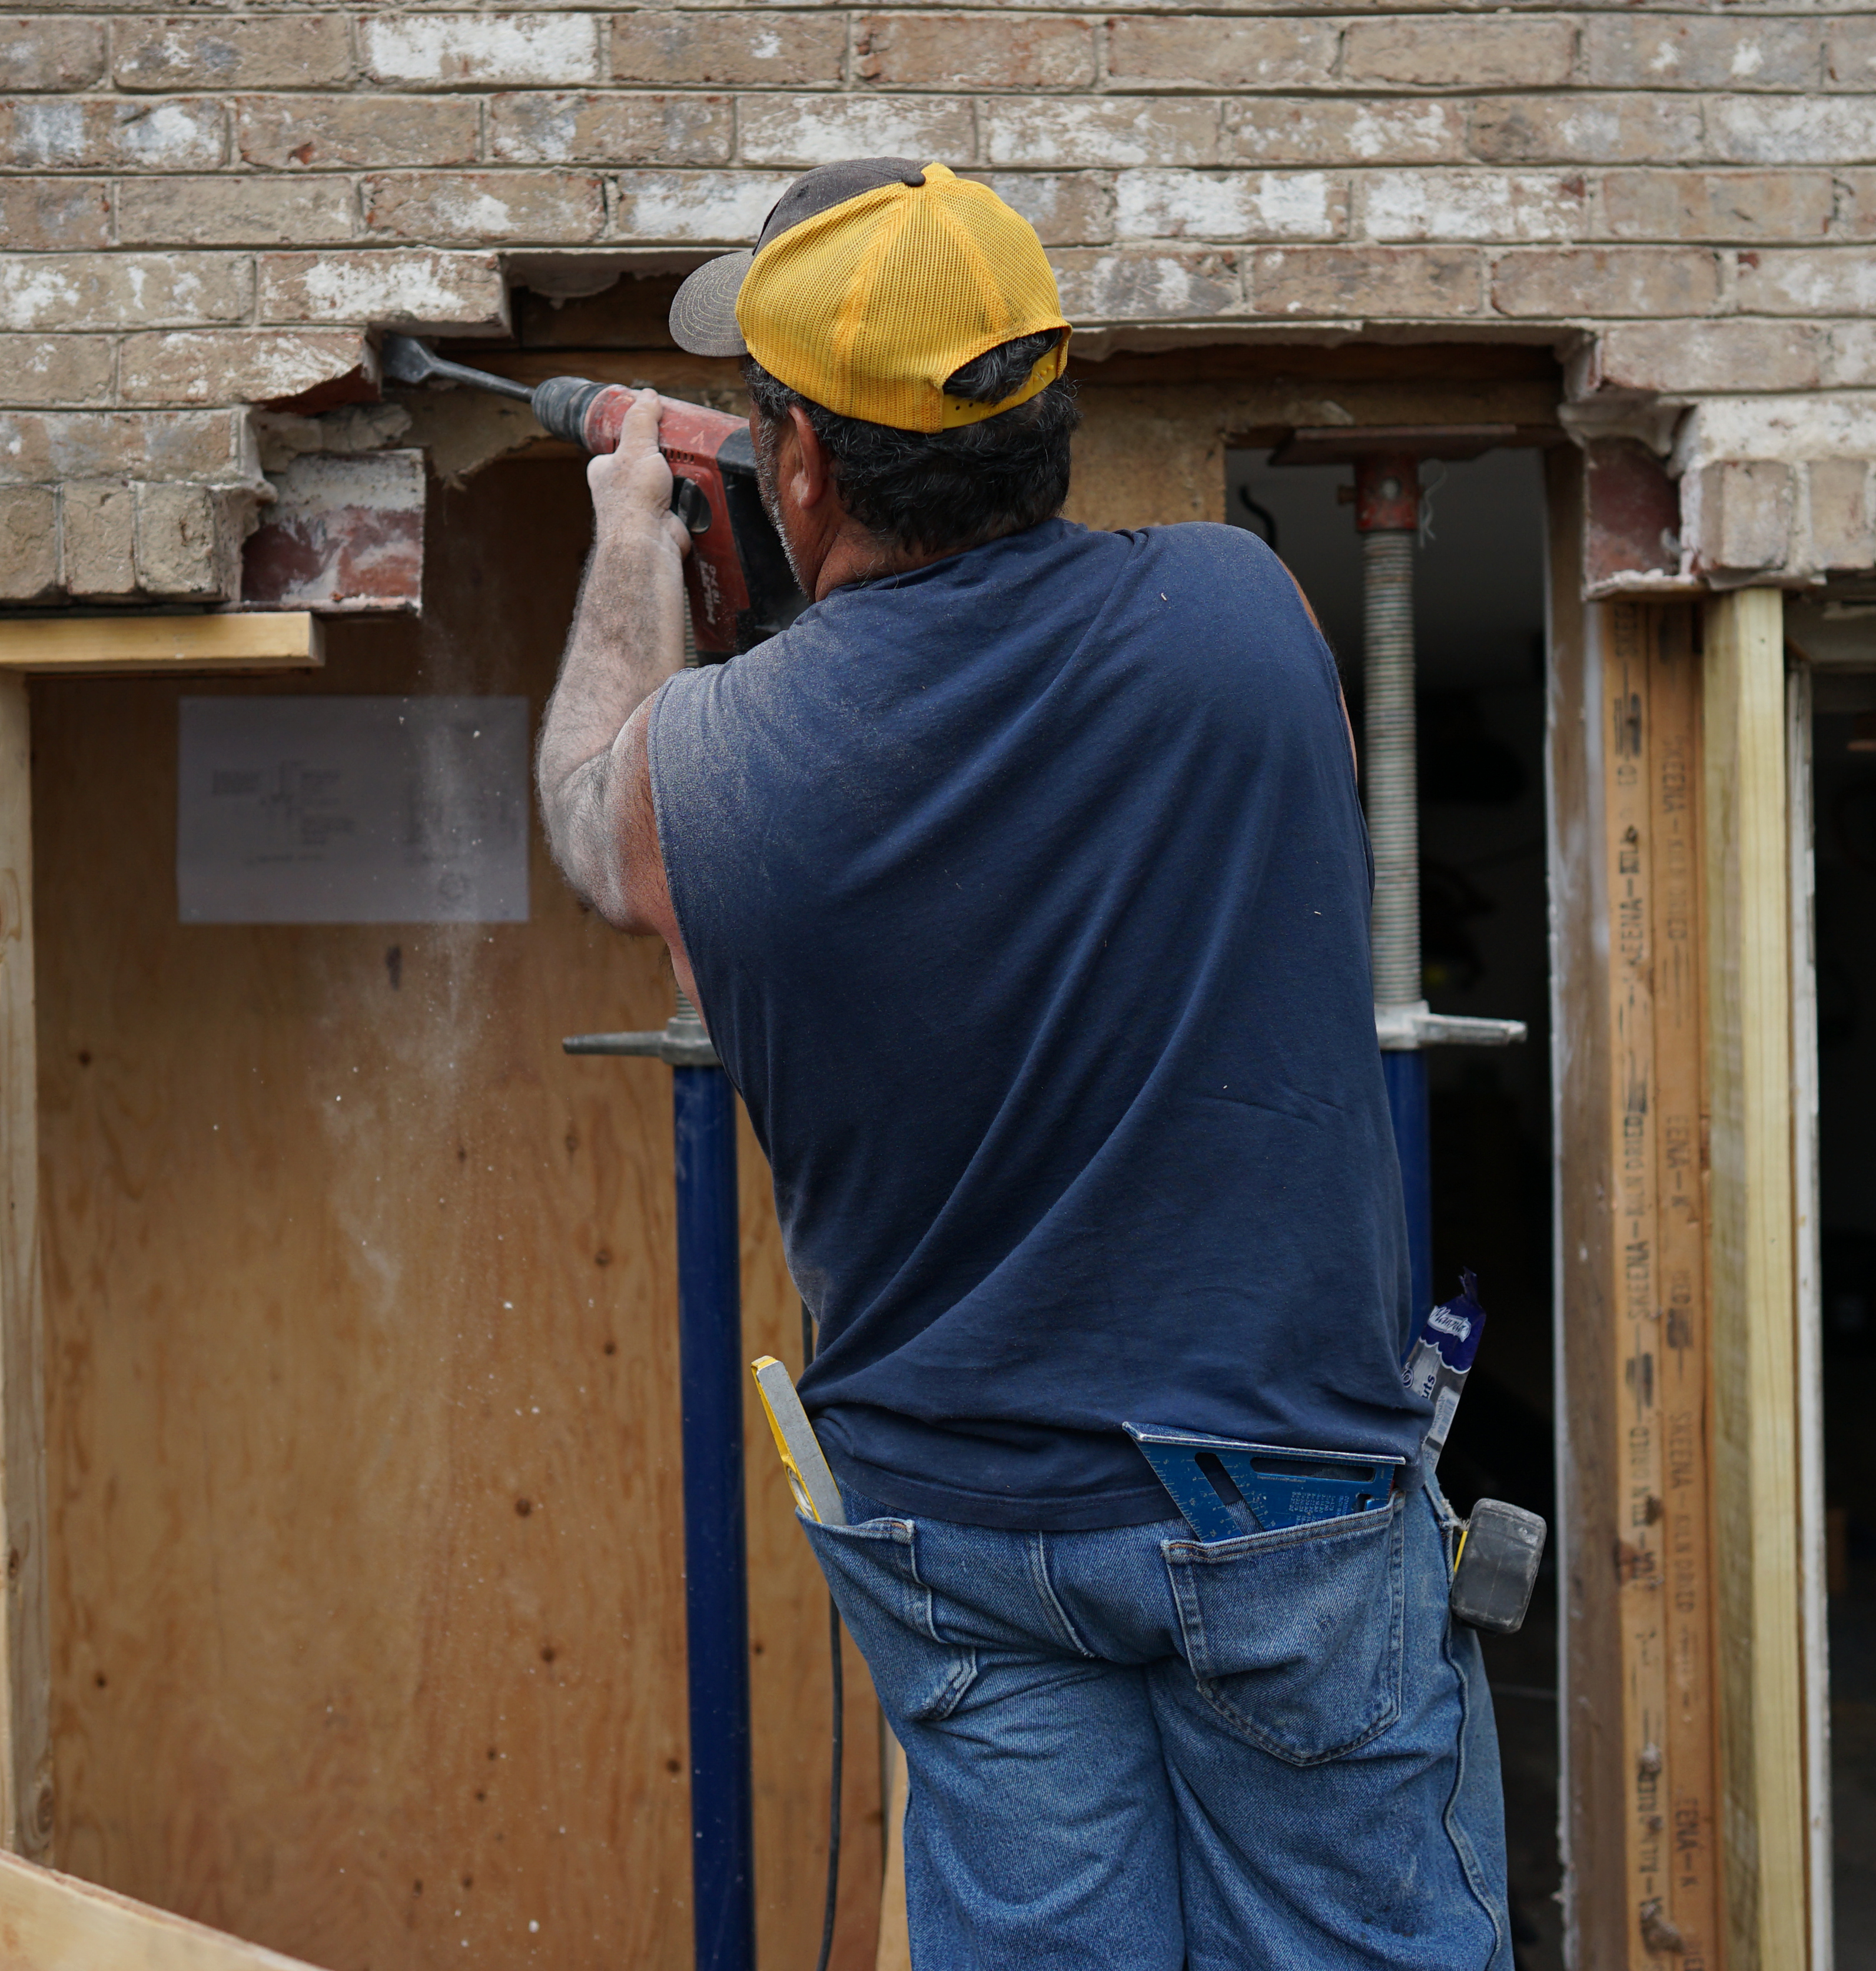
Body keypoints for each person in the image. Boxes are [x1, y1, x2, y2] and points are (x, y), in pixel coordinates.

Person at [536, 159, 1512, 1970]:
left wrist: (628, 537)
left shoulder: (720, 771)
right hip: (1282, 1506)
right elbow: (1060, 691)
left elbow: (598, 823)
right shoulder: (1249, 616)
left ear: (802, 465)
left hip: (959, 1532)